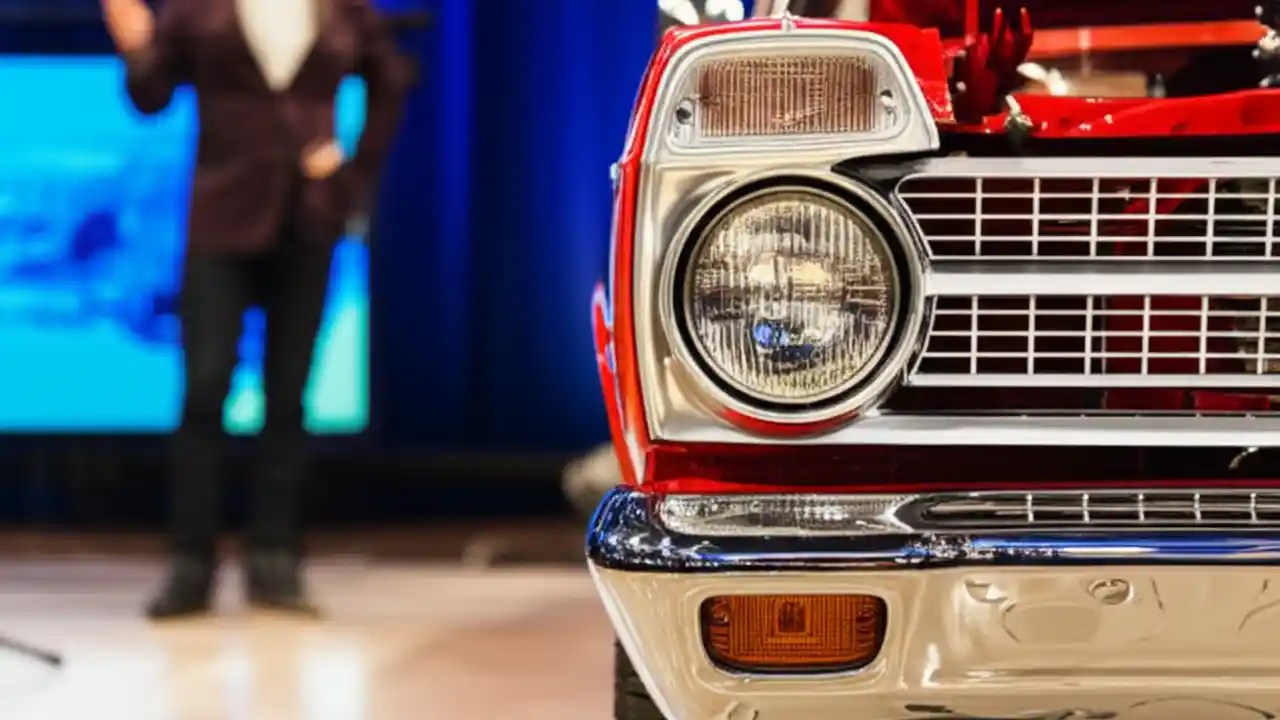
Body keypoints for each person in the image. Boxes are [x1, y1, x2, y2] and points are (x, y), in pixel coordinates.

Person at [101, 0, 410, 619]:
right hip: (221, 222)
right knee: (205, 389)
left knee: (289, 395)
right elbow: (150, 96)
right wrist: (137, 43)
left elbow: (392, 78)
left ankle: (274, 559)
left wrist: (353, 178)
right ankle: (191, 563)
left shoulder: (341, 8)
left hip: (309, 219)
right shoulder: (199, 9)